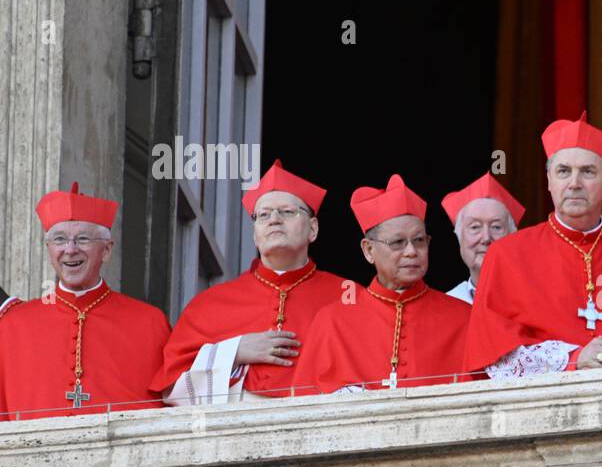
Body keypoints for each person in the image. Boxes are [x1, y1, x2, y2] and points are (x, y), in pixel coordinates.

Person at [463, 112, 602, 376]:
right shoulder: (506, 255)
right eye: (564, 171)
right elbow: (494, 355)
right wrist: (574, 358)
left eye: (588, 172)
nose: (574, 184)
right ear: (549, 181)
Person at [153, 160, 346, 404]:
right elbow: (172, 389)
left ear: (313, 228)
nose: (274, 219)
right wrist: (234, 351)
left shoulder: (348, 296)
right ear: (255, 235)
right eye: (263, 215)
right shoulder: (210, 303)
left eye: (287, 211)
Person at [0, 183, 170, 420]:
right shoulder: (12, 325)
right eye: (59, 240)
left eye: (82, 239)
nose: (70, 250)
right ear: (49, 250)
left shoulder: (149, 323)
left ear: (107, 250)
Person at [295, 174, 471, 393]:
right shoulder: (332, 322)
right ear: (368, 250)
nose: (411, 252)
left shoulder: (463, 317)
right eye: (397, 242)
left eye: (419, 241)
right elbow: (303, 405)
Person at [441, 172, 525, 304]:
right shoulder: (447, 304)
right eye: (475, 227)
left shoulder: (532, 298)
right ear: (459, 236)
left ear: (512, 236)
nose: (486, 238)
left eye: (496, 227)